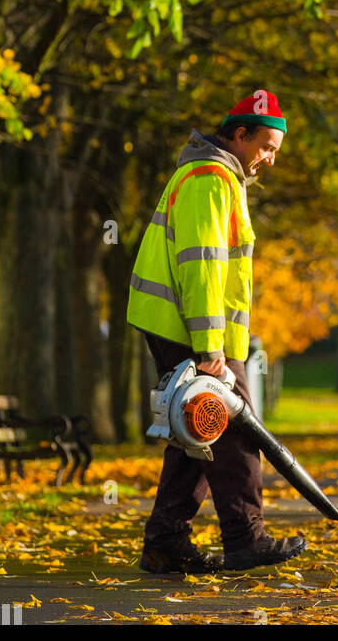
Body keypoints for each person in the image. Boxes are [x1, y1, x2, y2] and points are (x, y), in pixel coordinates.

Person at [126, 89, 307, 575]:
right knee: (234, 429)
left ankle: (166, 542)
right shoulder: (210, 177)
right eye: (266, 147)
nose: (270, 159)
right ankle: (246, 538)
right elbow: (201, 264)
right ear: (240, 134)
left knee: (196, 430)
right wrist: (210, 347)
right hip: (192, 332)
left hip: (185, 328)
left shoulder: (219, 177)